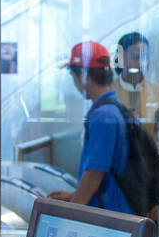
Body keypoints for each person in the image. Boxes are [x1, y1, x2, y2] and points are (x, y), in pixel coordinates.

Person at [50, 40, 132, 213]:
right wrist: (73, 195)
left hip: (108, 217)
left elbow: (95, 174)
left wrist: (72, 211)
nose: (74, 83)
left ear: (83, 74)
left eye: (73, 76)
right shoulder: (114, 108)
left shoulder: (103, 116)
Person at [112, 32, 159, 167]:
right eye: (135, 57)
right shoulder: (108, 93)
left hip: (147, 174)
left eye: (145, 57)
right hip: (113, 174)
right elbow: (89, 138)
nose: (141, 63)